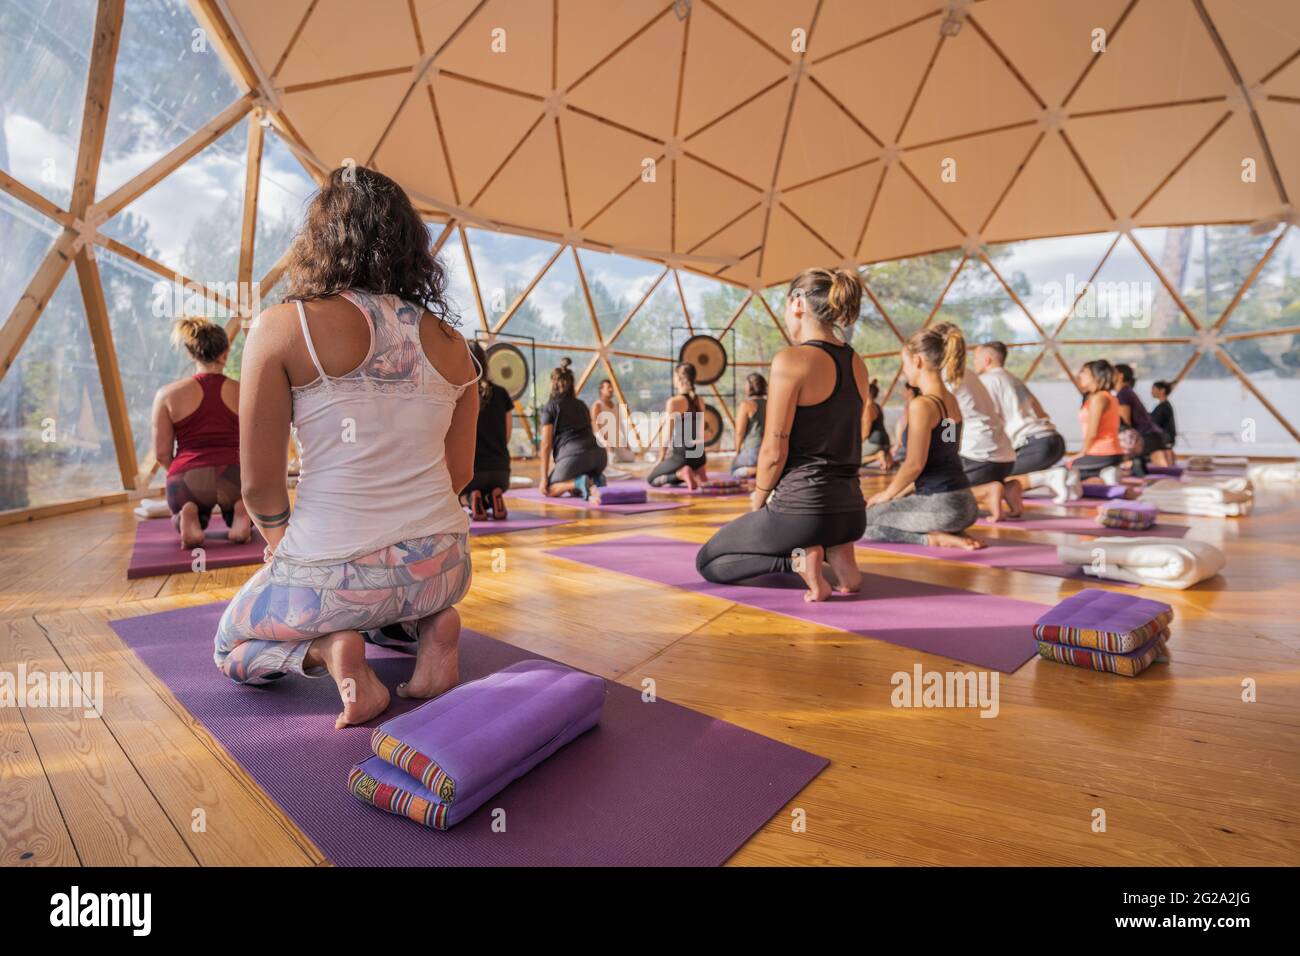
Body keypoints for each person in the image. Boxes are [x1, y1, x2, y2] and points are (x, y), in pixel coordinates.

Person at [213, 165, 479, 729]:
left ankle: (330, 650)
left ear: (320, 239)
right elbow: (460, 473)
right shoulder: (457, 346)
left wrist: (288, 549)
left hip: (336, 578)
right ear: (413, 247)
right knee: (391, 597)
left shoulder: (285, 326)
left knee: (228, 647)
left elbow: (259, 485)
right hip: (444, 568)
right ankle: (433, 627)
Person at [696, 267, 868, 601]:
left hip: (803, 510)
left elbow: (774, 449)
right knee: (825, 528)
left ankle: (799, 560)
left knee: (709, 562)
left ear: (798, 302)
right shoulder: (857, 363)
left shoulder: (792, 359)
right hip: (851, 512)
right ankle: (840, 554)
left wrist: (759, 498)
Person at [863, 325, 983, 550]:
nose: (905, 371)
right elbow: (944, 453)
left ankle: (933, 538)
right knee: (886, 508)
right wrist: (896, 496)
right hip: (966, 505)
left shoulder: (923, 405)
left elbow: (915, 464)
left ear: (917, 361)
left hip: (941, 506)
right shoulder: (950, 402)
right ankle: (941, 529)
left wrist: (886, 494)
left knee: (863, 522)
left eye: (905, 364)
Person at [151, 317, 252, 549]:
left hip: (187, 479)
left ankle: (188, 514)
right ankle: (240, 512)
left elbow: (162, 454)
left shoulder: (167, 395)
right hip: (235, 477)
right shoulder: (244, 391)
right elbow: (256, 443)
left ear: (190, 353)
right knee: (244, 499)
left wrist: (186, 473)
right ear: (225, 352)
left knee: (187, 502)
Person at [972, 340, 1072, 503]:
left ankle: (1048, 477)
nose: (974, 362)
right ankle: (1067, 476)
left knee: (990, 480)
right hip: (1053, 441)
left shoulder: (988, 380)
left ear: (987, 360)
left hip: (1033, 445)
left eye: (975, 358)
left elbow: (991, 420)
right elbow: (1041, 412)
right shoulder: (1014, 379)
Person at [935, 323, 1018, 519]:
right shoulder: (968, 373)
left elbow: (948, 421)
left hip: (979, 457)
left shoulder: (946, 377)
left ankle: (988, 492)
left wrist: (944, 454)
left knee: (937, 491)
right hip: (1004, 458)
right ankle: (1008, 488)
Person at [540, 357, 608, 499]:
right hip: (599, 456)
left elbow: (546, 446)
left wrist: (543, 479)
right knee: (574, 489)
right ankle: (595, 479)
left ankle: (579, 482)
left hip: (575, 458)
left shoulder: (550, 407)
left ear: (553, 383)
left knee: (550, 489)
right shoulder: (582, 405)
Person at [460, 341, 513, 520]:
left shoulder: (461, 391)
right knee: (492, 485)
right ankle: (493, 495)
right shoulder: (502, 392)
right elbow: (507, 435)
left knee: (457, 495)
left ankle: (470, 498)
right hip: (501, 473)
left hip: (471, 474)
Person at [648, 363, 710, 488]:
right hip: (700, 457)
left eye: (674, 376)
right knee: (692, 462)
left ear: (679, 378)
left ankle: (681, 474)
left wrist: (660, 459)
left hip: (682, 457)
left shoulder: (674, 402)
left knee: (652, 479)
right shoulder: (700, 401)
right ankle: (698, 471)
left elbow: (667, 435)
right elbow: (701, 432)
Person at [1064, 359, 1124, 483]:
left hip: (1103, 453)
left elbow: (1092, 432)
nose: (1080, 375)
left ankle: (1104, 477)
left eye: (1084, 372)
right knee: (1071, 476)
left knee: (1063, 474)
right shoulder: (1105, 397)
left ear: (1096, 376)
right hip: (1109, 452)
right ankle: (1102, 476)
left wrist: (1082, 453)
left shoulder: (1099, 398)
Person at [1114, 363, 1172, 471]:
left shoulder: (1123, 394)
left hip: (1147, 438)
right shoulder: (1127, 392)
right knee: (1140, 471)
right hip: (1154, 437)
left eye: (1112, 373)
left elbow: (1126, 427)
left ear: (1120, 375)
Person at [730, 372, 767, 477]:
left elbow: (739, 432)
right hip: (768, 449)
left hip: (753, 449)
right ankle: (764, 469)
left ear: (750, 387)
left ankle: (757, 471)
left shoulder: (746, 405)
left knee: (734, 471)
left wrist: (737, 452)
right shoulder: (770, 403)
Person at [860, 380, 892, 470]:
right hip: (885, 440)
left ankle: (878, 456)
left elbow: (866, 431)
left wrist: (858, 444)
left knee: (855, 460)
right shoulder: (877, 406)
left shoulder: (868, 407)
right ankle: (886, 457)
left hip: (876, 441)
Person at [890, 383, 921, 462]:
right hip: (910, 441)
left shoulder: (911, 405)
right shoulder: (916, 403)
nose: (902, 392)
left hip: (908, 442)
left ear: (910, 391)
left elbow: (906, 425)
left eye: (904, 390)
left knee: (895, 458)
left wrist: (898, 444)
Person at [1150, 380, 1177, 454]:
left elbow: (1154, 423)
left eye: (1153, 389)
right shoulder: (1165, 405)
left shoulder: (1163, 407)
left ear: (1162, 390)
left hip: (1165, 441)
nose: (1151, 392)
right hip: (1166, 439)